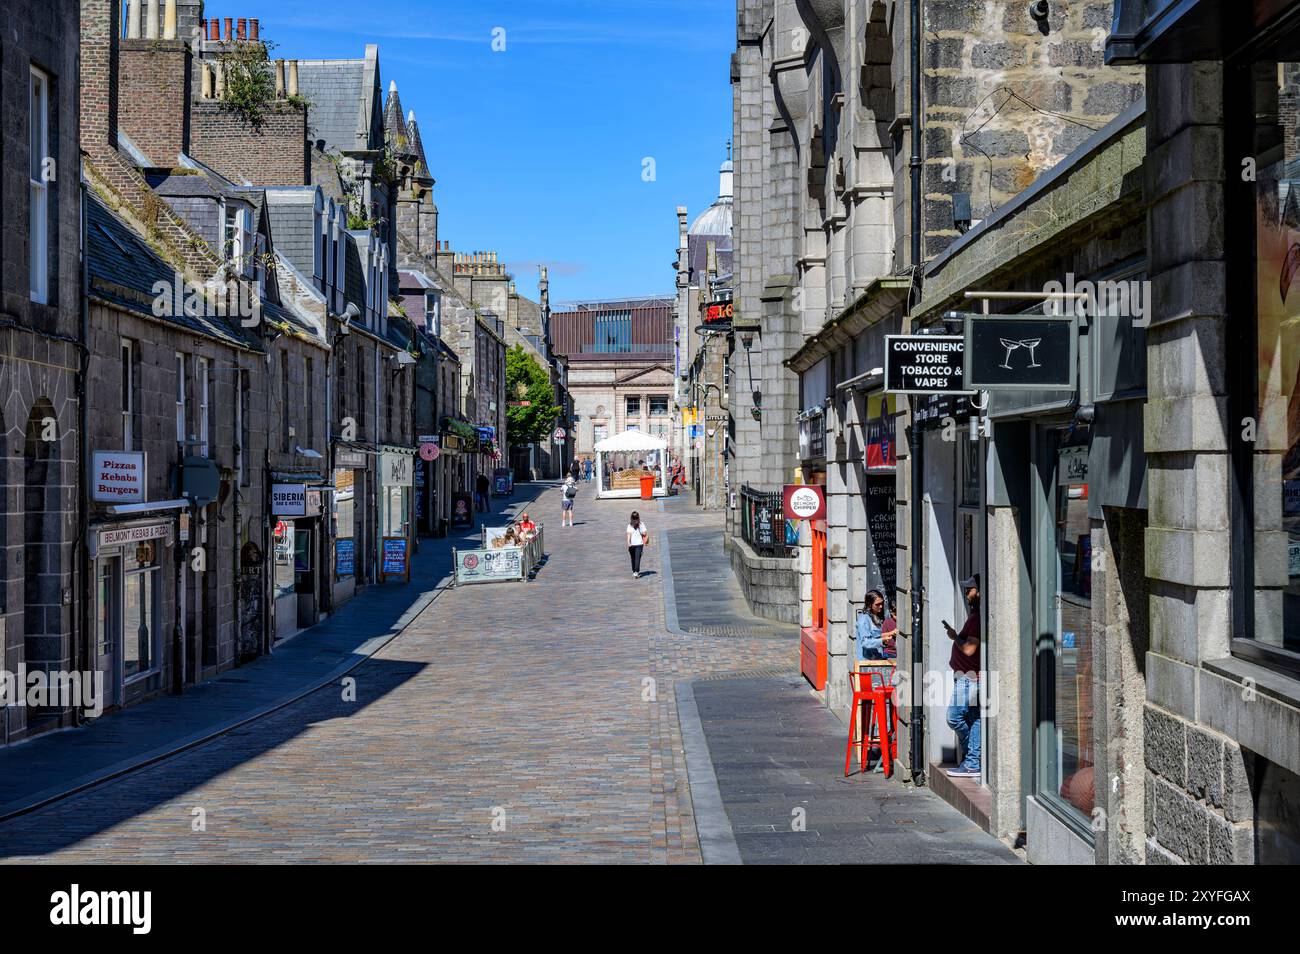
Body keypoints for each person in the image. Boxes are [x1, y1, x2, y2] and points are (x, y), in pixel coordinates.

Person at [943, 574, 982, 779]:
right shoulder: (975, 616)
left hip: (970, 679)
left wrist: (954, 636)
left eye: (971, 589)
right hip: (967, 677)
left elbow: (969, 649)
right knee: (974, 718)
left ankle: (972, 758)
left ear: (981, 592)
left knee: (954, 717)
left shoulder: (976, 619)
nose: (967, 592)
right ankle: (974, 762)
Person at [853, 589, 891, 661]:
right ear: (870, 604)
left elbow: (875, 636)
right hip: (867, 662)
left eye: (882, 603)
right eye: (877, 604)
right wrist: (882, 641)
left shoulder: (876, 616)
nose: (881, 606)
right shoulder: (864, 619)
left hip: (877, 659)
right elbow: (865, 642)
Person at [626, 510, 649, 578]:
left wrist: (640, 527)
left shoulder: (641, 524)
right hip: (632, 545)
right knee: (633, 558)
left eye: (636, 518)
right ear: (632, 519)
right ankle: (634, 571)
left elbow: (644, 533)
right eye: (634, 519)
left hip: (639, 544)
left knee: (637, 558)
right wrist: (628, 542)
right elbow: (628, 534)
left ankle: (636, 571)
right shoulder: (630, 525)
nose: (636, 520)